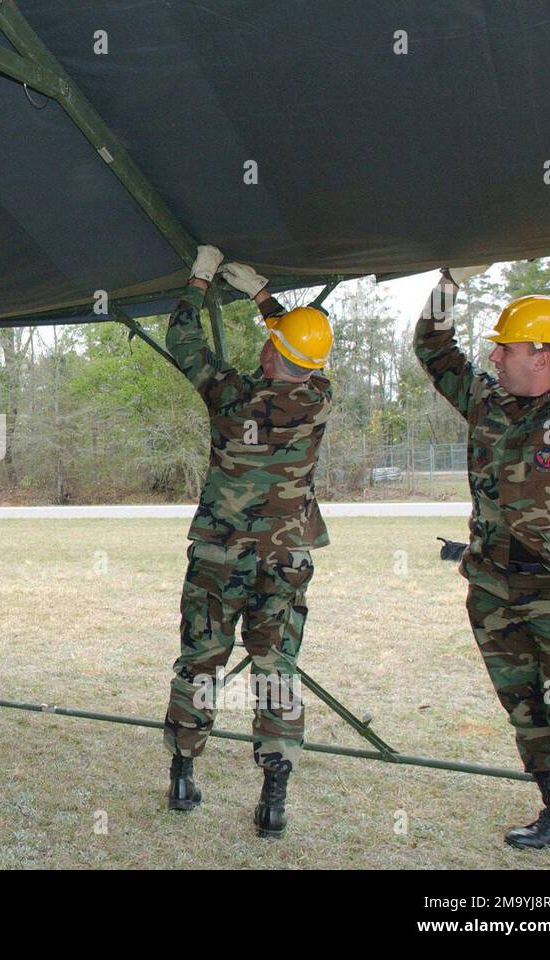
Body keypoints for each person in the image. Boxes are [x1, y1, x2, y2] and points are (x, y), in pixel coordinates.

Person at [416, 264, 550, 854]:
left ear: (542, 355)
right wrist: (450, 282)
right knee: (524, 705)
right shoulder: (485, 402)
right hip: (494, 588)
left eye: (506, 347)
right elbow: (433, 346)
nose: (493, 356)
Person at [161, 245, 334, 838]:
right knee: (276, 669)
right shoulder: (316, 400)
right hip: (284, 560)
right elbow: (298, 348)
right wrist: (266, 299)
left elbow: (182, 339)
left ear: (269, 350)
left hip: (219, 555)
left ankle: (183, 773)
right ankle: (274, 796)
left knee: (202, 660)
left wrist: (201, 277)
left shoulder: (230, 396)